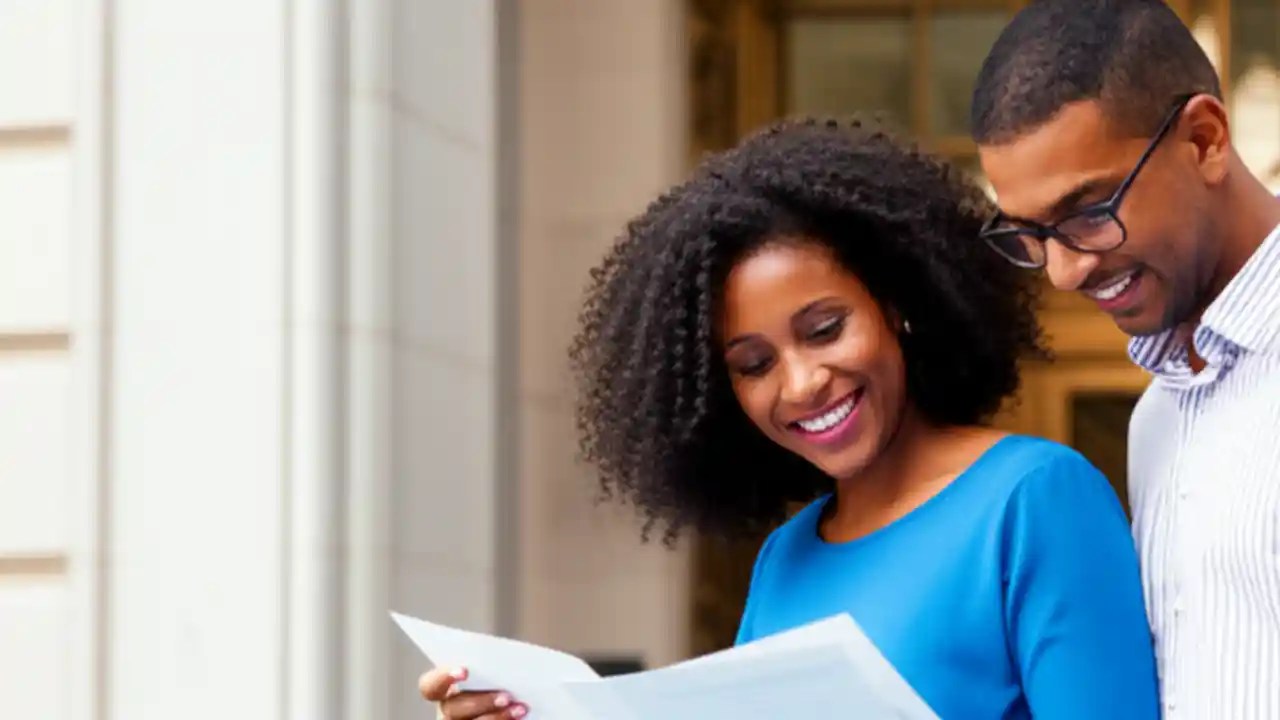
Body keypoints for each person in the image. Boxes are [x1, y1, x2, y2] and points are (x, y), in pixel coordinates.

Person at [420, 118, 1160, 719]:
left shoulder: (1034, 499)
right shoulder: (785, 561)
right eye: (753, 364)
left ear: (895, 305)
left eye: (824, 328)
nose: (802, 383)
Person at [970, 1, 1280, 717]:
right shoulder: (1157, 420)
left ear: (1204, 139)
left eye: (1087, 213)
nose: (1062, 273)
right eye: (1029, 235)